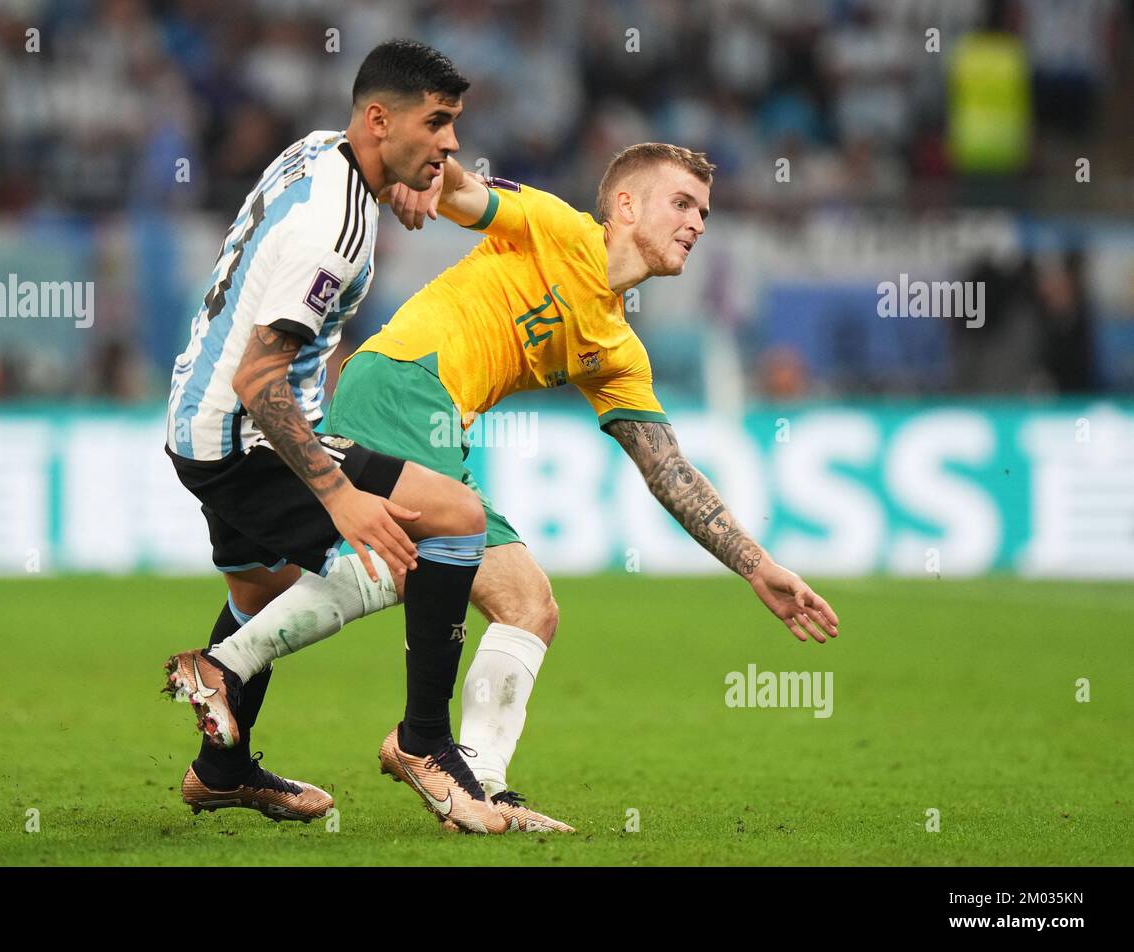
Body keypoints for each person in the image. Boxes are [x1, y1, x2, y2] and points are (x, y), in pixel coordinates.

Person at [205, 143, 842, 832]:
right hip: (401, 380)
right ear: (624, 205)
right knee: (412, 557)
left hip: (443, 421)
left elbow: (668, 469)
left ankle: (478, 780)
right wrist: (425, 176)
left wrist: (757, 566)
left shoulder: (618, 349)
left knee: (529, 606)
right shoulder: (557, 227)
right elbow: (461, 191)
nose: (697, 223)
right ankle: (237, 670)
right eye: (682, 204)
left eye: (704, 212)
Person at [160, 39, 508, 835]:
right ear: (382, 120)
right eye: (440, 125)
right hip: (247, 433)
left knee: (262, 593)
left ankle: (220, 770)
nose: (452, 145)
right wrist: (339, 495)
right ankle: (426, 743)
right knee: (455, 518)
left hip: (193, 420)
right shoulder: (334, 228)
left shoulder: (319, 151)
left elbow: (395, 166)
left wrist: (414, 184)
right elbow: (260, 380)